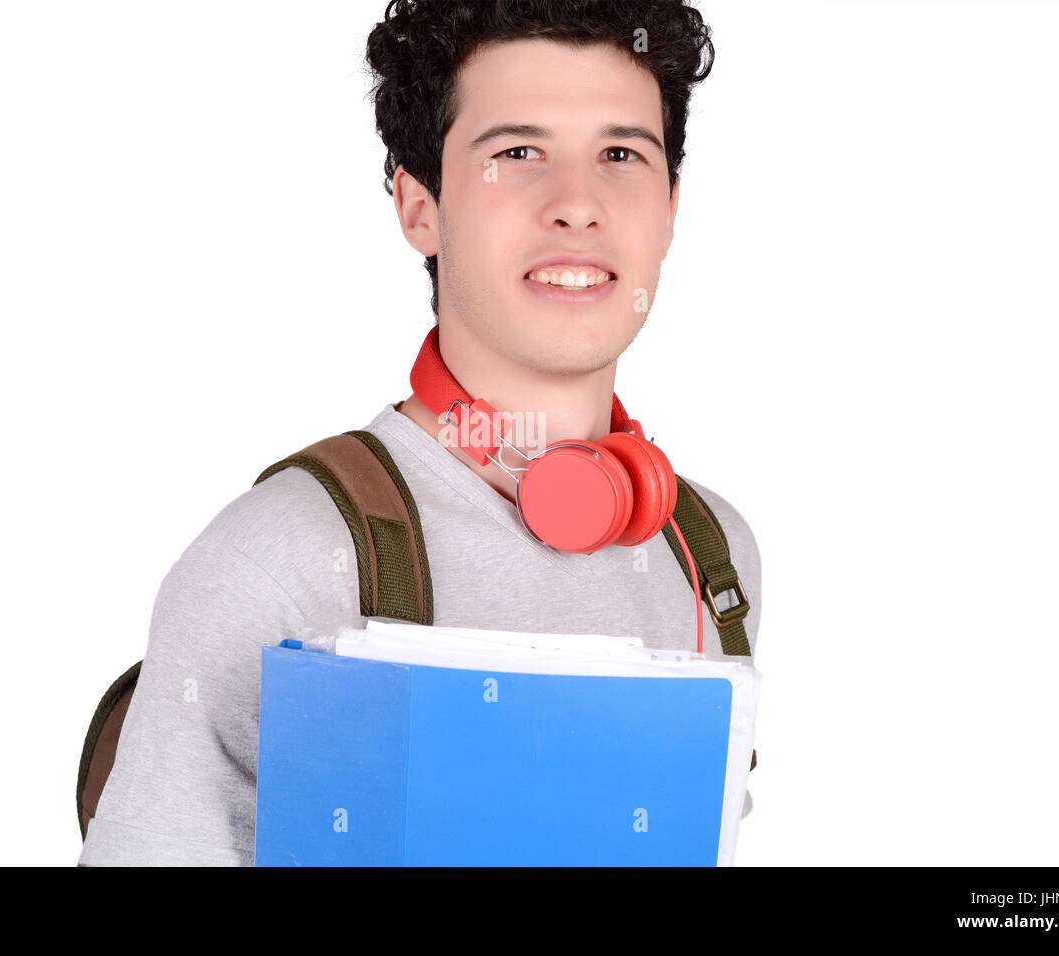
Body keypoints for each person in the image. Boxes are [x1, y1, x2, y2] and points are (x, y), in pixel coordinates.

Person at [78, 0, 762, 867]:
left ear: (669, 207)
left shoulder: (712, 558)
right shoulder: (283, 556)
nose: (578, 205)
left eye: (621, 154)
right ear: (419, 207)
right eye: (517, 153)